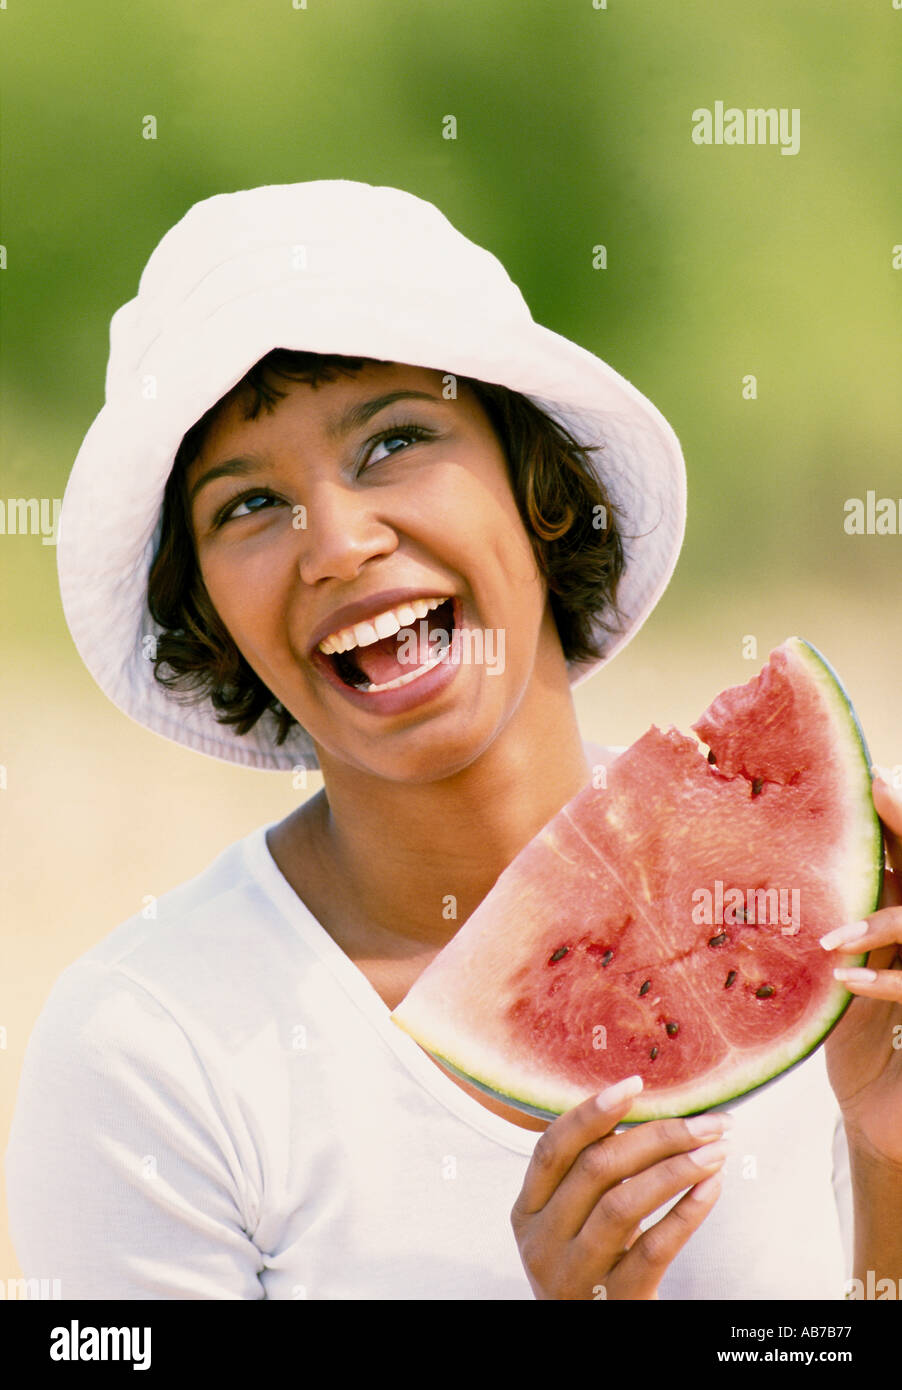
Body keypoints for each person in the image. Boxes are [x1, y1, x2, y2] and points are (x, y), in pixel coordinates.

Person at [5, 181, 901, 1301]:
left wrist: (884, 1157)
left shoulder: (841, 924)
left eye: (392, 441)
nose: (335, 541)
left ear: (538, 488)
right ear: (211, 617)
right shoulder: (149, 1049)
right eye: (246, 505)